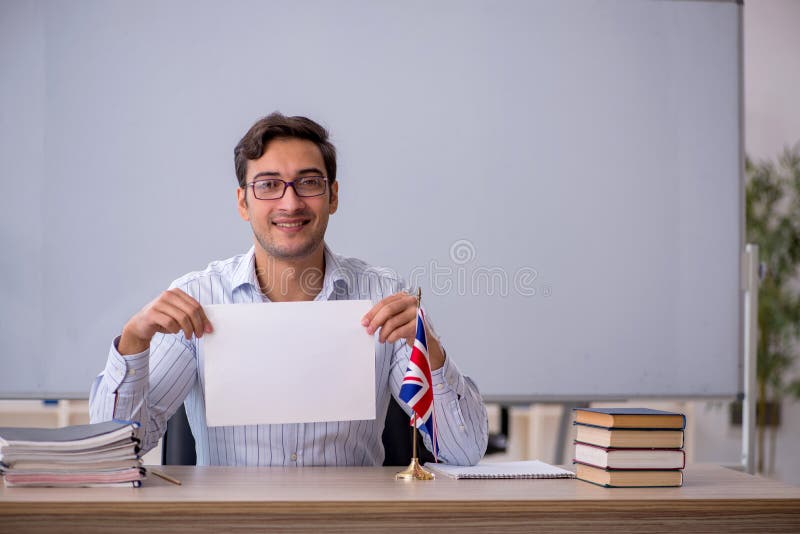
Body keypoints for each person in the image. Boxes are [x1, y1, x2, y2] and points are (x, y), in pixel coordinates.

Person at [89, 112, 488, 466]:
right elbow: (115, 449)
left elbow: (465, 449)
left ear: (333, 196)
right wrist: (134, 340)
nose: (291, 202)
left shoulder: (384, 295)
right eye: (269, 185)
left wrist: (430, 349)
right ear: (243, 202)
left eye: (309, 183)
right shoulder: (199, 298)